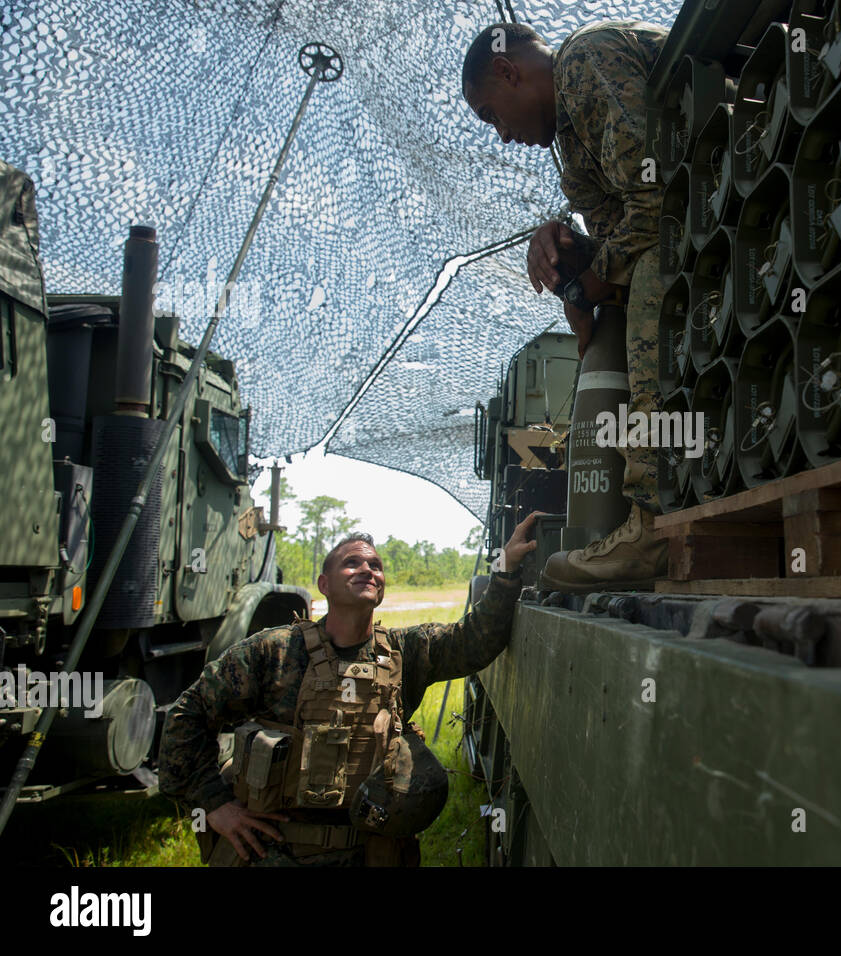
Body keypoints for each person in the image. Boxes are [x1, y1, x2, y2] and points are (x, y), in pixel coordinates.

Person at [157, 512, 543, 866]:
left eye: (375, 565)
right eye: (352, 562)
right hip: (279, 852)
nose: (367, 570)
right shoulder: (273, 651)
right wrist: (215, 805)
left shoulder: (404, 651)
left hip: (372, 852)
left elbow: (475, 640)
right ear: (324, 584)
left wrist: (505, 569)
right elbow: (187, 715)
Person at [462, 20, 670, 593]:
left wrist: (597, 280)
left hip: (726, 205)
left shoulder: (584, 60)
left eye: (492, 115)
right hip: (694, 228)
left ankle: (654, 521)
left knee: (653, 271)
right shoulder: (570, 140)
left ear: (509, 71)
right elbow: (620, 233)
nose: (502, 135)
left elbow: (661, 198)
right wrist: (569, 257)